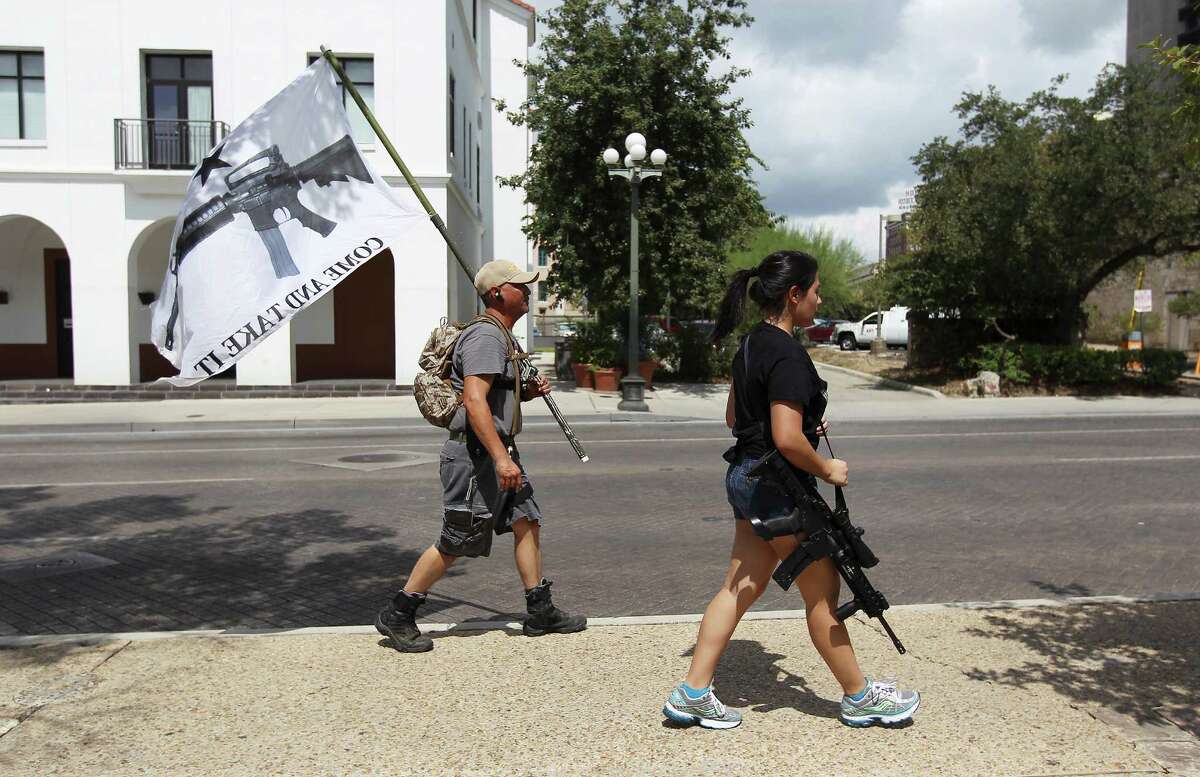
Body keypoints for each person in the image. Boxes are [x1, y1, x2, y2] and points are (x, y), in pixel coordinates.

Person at [662, 250, 920, 729]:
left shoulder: (750, 345)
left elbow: (735, 419)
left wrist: (799, 426)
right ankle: (860, 698)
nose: (819, 298)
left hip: (746, 478)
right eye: (816, 290)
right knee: (822, 591)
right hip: (778, 487)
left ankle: (692, 693)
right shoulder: (787, 354)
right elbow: (785, 437)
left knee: (740, 585)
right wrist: (826, 468)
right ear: (794, 295)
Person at [375, 260, 587, 652]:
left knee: (527, 520)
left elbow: (495, 393)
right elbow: (474, 402)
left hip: (497, 451)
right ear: (496, 294)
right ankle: (399, 612)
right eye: (519, 286)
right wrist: (501, 459)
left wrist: (527, 391)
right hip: (475, 456)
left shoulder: (503, 337)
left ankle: (540, 611)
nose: (527, 292)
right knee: (459, 539)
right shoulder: (486, 338)